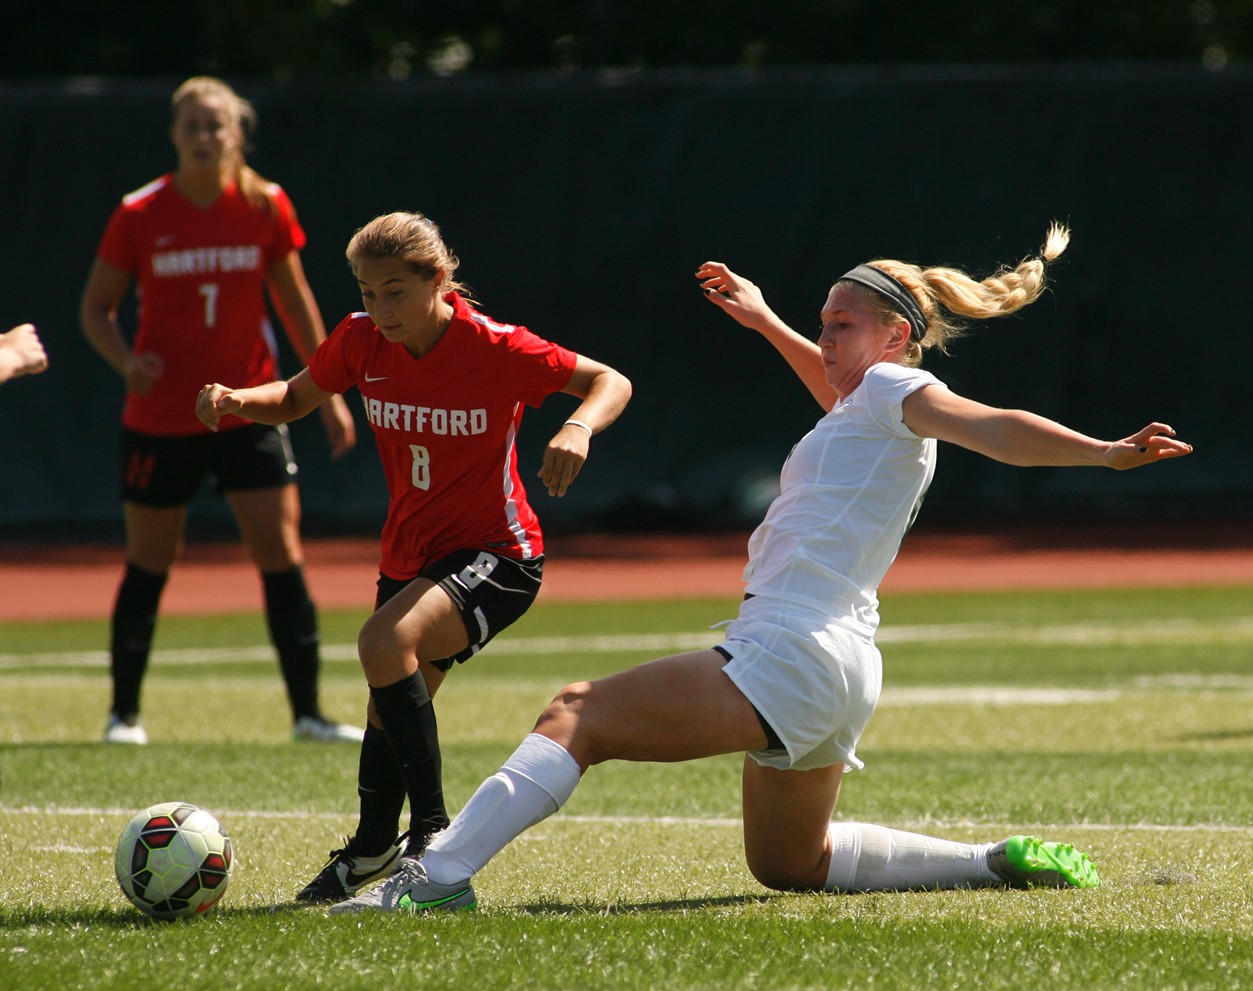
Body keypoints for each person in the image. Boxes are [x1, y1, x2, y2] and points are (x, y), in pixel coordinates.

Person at [331, 223, 1193, 913]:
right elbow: (839, 392)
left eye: (840, 324)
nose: (825, 336)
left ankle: (435, 875)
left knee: (575, 714)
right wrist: (766, 320)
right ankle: (991, 860)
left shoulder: (897, 390)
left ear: (897, 336)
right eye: (822, 321)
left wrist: (1103, 451)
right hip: (843, 664)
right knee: (792, 864)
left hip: (793, 650)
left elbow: (992, 423)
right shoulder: (871, 407)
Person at [197, 210, 632, 902]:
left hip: (500, 553)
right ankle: (373, 846)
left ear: (439, 279)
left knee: (384, 640)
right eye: (369, 293)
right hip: (413, 554)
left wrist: (577, 425)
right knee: (388, 701)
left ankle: (432, 836)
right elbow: (295, 395)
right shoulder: (360, 340)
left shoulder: (494, 346)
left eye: (395, 290)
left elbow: (610, 379)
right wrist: (236, 399)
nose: (380, 308)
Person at [79, 76, 359, 746]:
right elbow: (95, 309)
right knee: (151, 556)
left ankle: (308, 714)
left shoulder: (264, 204)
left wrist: (329, 393)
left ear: (237, 133)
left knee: (280, 550)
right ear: (174, 134)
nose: (204, 137)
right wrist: (127, 362)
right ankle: (124, 715)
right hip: (160, 416)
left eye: (216, 126)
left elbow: (294, 303)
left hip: (248, 409)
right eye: (192, 126)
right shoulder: (140, 212)